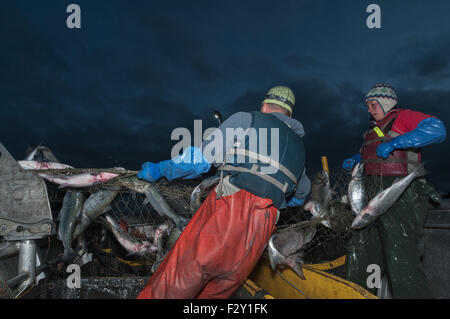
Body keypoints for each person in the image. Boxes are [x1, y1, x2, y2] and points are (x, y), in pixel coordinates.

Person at [136, 86, 311, 298]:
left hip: (224, 217)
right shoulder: (300, 149)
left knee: (170, 287)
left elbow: (198, 161)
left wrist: (159, 170)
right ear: (290, 114)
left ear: (264, 105)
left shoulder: (247, 120)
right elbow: (300, 195)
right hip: (256, 238)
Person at [342, 83, 446, 298]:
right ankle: (359, 293)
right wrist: (358, 158)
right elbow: (374, 155)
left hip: (401, 193)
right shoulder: (371, 131)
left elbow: (437, 129)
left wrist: (398, 141)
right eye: (367, 106)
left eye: (372, 104)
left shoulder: (403, 117)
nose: (369, 109)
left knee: (401, 253)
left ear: (385, 101)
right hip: (371, 191)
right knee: (362, 250)